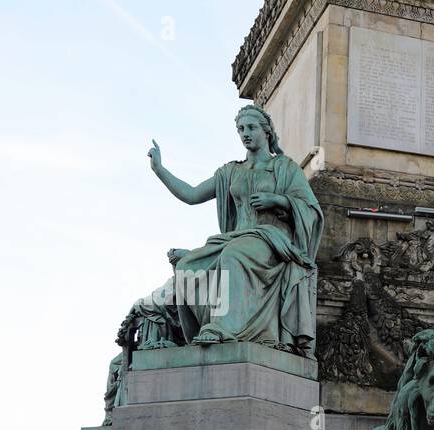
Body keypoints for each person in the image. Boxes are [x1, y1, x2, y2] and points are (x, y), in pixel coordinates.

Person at [133, 104, 324, 356]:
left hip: (270, 239)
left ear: (266, 132)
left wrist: (278, 201)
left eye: (252, 128)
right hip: (235, 238)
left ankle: (224, 326)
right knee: (187, 266)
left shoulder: (285, 168)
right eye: (241, 129)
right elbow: (191, 195)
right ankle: (202, 333)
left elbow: (311, 209)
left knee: (233, 255)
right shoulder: (230, 171)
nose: (246, 133)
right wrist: (160, 170)